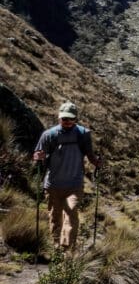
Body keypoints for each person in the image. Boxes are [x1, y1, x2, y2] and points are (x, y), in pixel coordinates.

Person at [32, 101, 102, 251]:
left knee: (71, 212)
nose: (67, 122)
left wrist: (97, 162)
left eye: (70, 119)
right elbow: (38, 155)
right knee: (55, 217)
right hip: (53, 185)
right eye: (64, 118)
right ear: (59, 118)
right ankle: (56, 245)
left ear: (76, 119)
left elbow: (89, 155)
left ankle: (67, 249)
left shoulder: (83, 134)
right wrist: (38, 157)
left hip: (74, 184)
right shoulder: (48, 135)